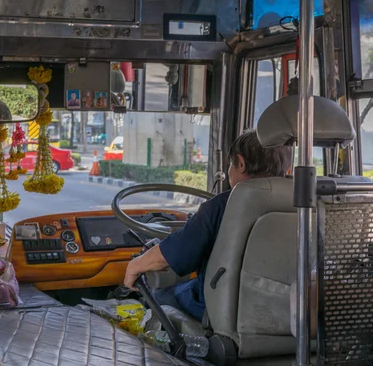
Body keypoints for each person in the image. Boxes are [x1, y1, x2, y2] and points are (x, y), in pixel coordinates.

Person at [123, 130, 292, 321]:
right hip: (286, 310)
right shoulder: (303, 205)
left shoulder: (223, 205)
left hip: (222, 310)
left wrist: (135, 266)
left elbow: (174, 254)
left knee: (159, 296)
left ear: (241, 163)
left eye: (230, 164)